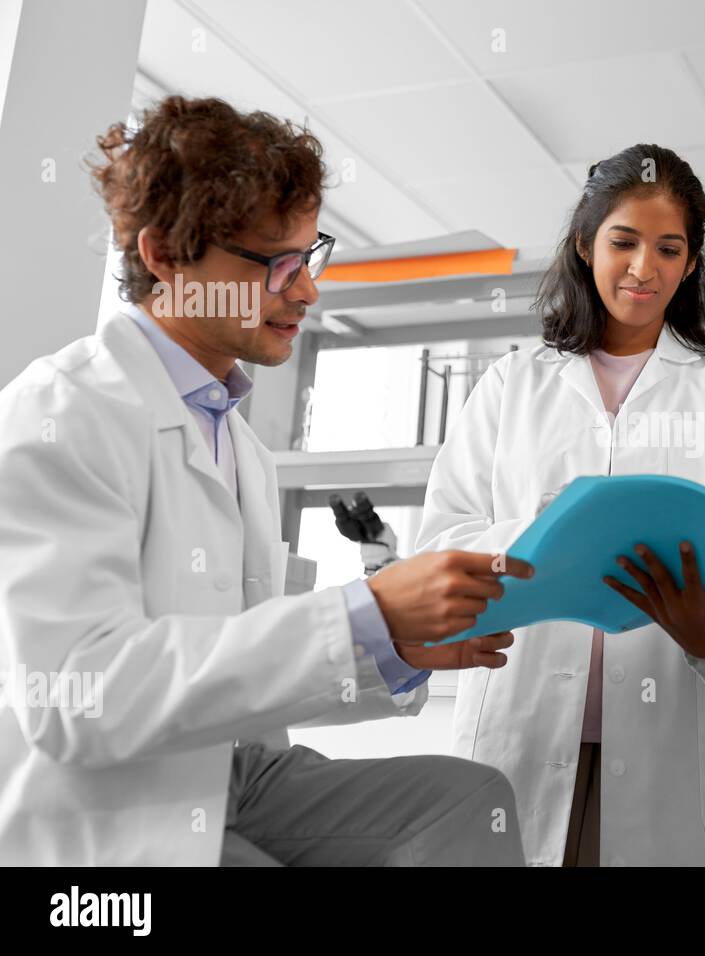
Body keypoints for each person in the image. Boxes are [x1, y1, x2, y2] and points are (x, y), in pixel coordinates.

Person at [0, 96, 531, 866]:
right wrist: (361, 616)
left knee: (468, 805)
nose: (307, 291)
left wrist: (394, 646)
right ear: (165, 255)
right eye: (277, 263)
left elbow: (249, 667)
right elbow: (78, 698)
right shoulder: (63, 412)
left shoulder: (236, 442)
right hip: (98, 809)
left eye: (310, 258)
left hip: (233, 770)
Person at [415, 144, 705, 866]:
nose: (645, 268)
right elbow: (444, 535)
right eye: (624, 241)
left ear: (689, 263)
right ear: (586, 245)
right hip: (520, 717)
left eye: (669, 249)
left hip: (669, 721)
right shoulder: (512, 384)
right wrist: (550, 534)